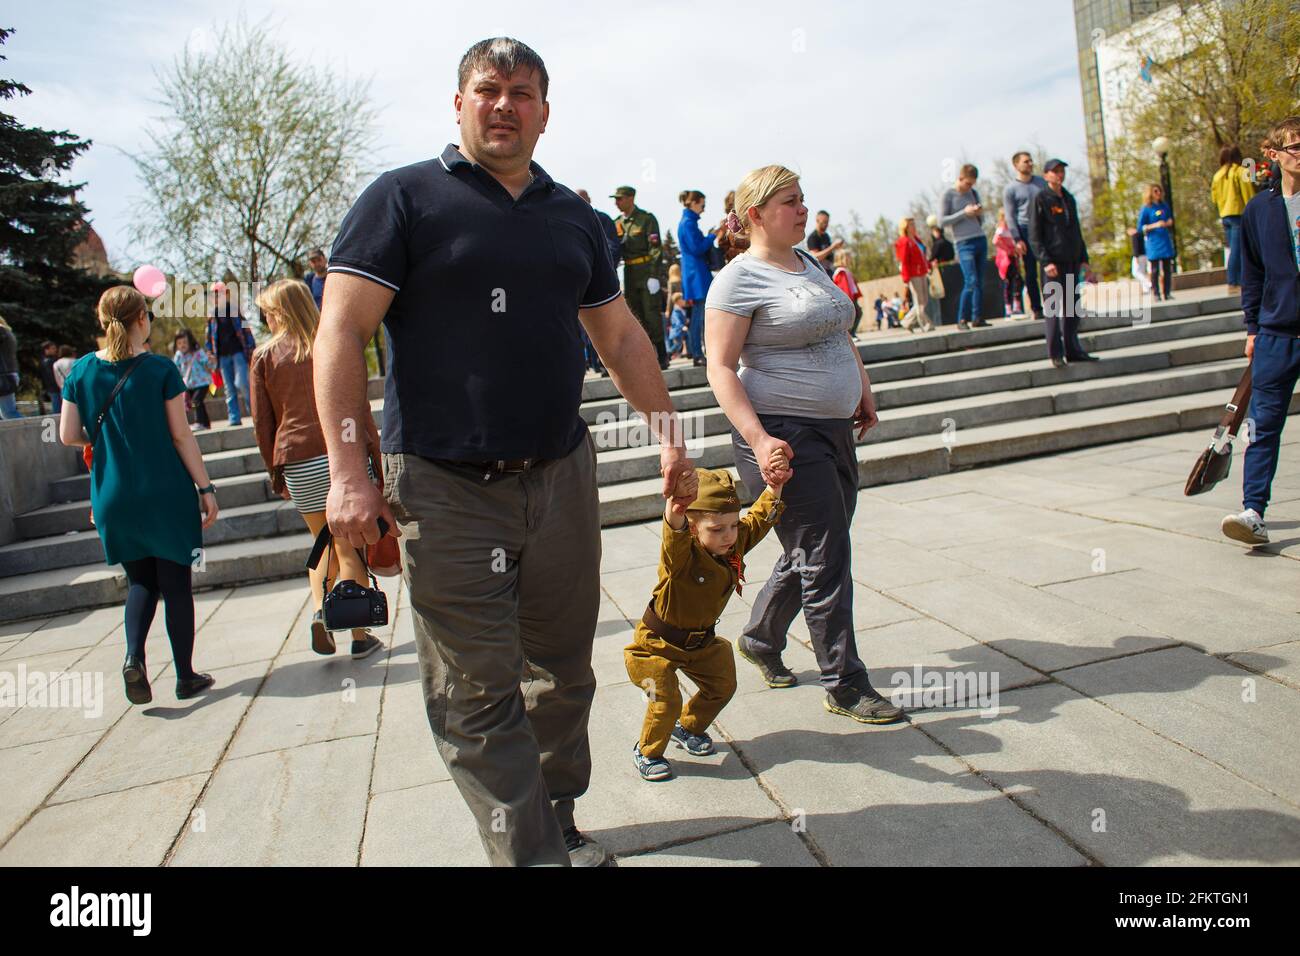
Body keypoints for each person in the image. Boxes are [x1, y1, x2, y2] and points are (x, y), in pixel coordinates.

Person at [314, 37, 695, 867]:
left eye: (523, 92)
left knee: (562, 675)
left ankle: (552, 819)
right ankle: (531, 857)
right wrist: (349, 471)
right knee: (473, 693)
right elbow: (341, 330)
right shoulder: (403, 199)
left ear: (545, 113)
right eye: (488, 89)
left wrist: (671, 439)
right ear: (458, 103)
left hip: (561, 475)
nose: (505, 104)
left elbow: (622, 337)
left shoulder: (576, 219)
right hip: (445, 488)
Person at [705, 163, 903, 725]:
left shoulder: (810, 262)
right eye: (789, 201)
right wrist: (759, 438)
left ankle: (763, 637)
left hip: (835, 427)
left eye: (801, 199)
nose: (801, 209)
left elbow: (840, 329)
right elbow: (720, 368)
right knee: (826, 554)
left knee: (820, 545)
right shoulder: (737, 280)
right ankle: (844, 683)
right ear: (755, 216)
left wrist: (861, 387)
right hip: (781, 434)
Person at [58, 286, 217, 704]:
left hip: (113, 495)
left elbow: (67, 435)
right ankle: (185, 676)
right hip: (165, 490)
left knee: (140, 582)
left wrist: (104, 436)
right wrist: (205, 488)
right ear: (141, 319)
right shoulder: (160, 369)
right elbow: (182, 436)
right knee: (177, 583)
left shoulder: (80, 372)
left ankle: (134, 658)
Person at [250, 278, 384, 659]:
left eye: (268, 313)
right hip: (341, 454)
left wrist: (275, 470)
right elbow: (358, 407)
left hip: (298, 460)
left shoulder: (265, 357)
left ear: (278, 313)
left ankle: (319, 612)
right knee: (350, 546)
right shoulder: (332, 345)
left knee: (322, 542)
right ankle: (359, 634)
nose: (267, 320)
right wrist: (373, 455)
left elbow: (264, 423)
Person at [626, 465, 786, 781]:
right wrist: (676, 508)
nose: (728, 535)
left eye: (731, 526)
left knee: (722, 685)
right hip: (654, 647)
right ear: (693, 528)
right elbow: (672, 537)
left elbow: (757, 521)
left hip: (700, 644)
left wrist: (775, 487)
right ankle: (647, 751)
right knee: (666, 701)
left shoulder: (733, 543)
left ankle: (687, 728)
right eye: (716, 529)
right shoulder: (682, 557)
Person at [1221, 117, 1300, 547]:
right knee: (1263, 426)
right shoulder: (1258, 209)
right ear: (1274, 155)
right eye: (1297, 145)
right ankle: (1253, 513)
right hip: (1276, 333)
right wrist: (1252, 327)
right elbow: (1252, 275)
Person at [1028, 158, 1098, 369]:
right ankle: (1055, 353)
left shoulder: (1068, 198)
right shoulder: (1041, 198)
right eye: (1055, 171)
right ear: (1046, 175)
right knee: (1052, 308)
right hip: (1052, 263)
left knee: (1072, 309)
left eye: (1062, 171)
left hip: (1071, 260)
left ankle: (1073, 350)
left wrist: (1084, 260)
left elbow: (1076, 230)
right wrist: (1045, 260)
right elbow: (1034, 235)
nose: (1060, 175)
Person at [613, 184, 669, 370]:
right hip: (628, 272)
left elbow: (655, 248)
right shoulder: (617, 223)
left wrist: (654, 275)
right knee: (635, 316)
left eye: (620, 198)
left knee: (651, 313)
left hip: (645, 271)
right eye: (615, 199)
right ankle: (645, 357)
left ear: (631, 198)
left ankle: (662, 355)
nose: (617, 202)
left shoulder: (646, 219)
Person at [941, 163, 988, 330]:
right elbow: (943, 221)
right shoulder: (949, 195)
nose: (969, 187)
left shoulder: (973, 193)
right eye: (967, 183)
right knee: (971, 280)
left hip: (979, 238)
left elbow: (981, 220)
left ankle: (977, 317)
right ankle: (962, 319)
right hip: (963, 242)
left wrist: (978, 213)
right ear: (960, 178)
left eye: (972, 184)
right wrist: (964, 213)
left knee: (980, 281)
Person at [1002, 151, 1048, 319]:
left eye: (1030, 161)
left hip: (1043, 230)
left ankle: (1052, 304)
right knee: (1030, 272)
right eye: (1025, 161)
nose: (1029, 164)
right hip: (1025, 230)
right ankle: (1036, 308)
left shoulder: (1041, 183)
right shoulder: (1011, 189)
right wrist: (1017, 239)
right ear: (1016, 165)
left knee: (1048, 268)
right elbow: (1010, 215)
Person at [204, 283, 256, 425]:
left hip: (238, 352)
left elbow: (246, 329)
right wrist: (209, 351)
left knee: (243, 383)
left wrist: (251, 347)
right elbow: (209, 337)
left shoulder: (235, 311)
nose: (216, 298)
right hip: (222, 356)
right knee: (229, 387)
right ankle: (234, 417)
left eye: (219, 294)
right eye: (214, 296)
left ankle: (255, 413)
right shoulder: (212, 316)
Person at [678, 189, 716, 367]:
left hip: (694, 275)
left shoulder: (686, 222)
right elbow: (697, 248)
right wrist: (713, 236)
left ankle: (697, 352)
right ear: (694, 203)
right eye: (702, 204)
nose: (704, 208)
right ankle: (697, 353)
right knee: (699, 318)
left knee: (699, 317)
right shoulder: (688, 223)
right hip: (697, 276)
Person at [1211, 145, 1254, 293]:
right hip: (1238, 214)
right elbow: (1249, 195)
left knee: (1233, 248)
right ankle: (1234, 281)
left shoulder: (1217, 175)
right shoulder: (1241, 172)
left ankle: (1236, 281)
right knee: (1238, 249)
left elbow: (1214, 198)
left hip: (1225, 215)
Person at [894, 216, 935, 332]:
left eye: (914, 224)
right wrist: (905, 277)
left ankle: (907, 321)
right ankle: (926, 324)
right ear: (905, 227)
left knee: (924, 300)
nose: (914, 227)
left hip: (921, 272)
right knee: (919, 301)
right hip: (913, 274)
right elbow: (904, 260)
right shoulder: (904, 241)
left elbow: (923, 255)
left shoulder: (916, 240)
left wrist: (929, 265)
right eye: (911, 225)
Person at [1137, 183, 1176, 301]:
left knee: (1167, 267)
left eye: (1159, 191)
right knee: (1155, 269)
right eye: (1155, 191)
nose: (1158, 193)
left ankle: (1167, 292)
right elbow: (1140, 227)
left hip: (1164, 239)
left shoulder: (1164, 206)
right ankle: (1156, 293)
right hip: (1153, 241)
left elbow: (1170, 218)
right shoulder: (1146, 209)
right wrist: (1154, 225)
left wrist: (1169, 222)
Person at [173, 329, 214, 431]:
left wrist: (211, 360)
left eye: (185, 342)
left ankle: (199, 422)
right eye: (179, 343)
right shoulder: (178, 355)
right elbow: (175, 368)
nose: (182, 345)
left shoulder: (197, 352)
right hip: (189, 384)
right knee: (197, 402)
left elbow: (207, 364)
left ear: (190, 342)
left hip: (202, 382)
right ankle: (206, 423)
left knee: (196, 401)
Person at [994, 209, 1025, 317]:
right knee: (1008, 283)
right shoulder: (1001, 229)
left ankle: (1017, 306)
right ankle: (1008, 309)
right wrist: (1007, 249)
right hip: (1006, 260)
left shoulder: (1012, 229)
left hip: (1014, 258)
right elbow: (995, 241)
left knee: (1018, 281)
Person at [831, 249, 866, 337]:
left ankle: (852, 333)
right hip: (848, 298)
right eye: (848, 258)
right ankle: (850, 334)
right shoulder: (841, 272)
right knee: (854, 314)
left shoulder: (846, 271)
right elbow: (843, 287)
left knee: (858, 313)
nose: (850, 259)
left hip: (852, 297)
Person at [716, 190, 750, 263]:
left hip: (745, 261)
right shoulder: (725, 223)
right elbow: (721, 244)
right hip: (738, 262)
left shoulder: (746, 220)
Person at [805, 209, 841, 276]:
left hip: (830, 270)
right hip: (821, 274)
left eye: (827, 222)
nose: (826, 224)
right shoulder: (813, 237)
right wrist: (832, 247)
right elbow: (815, 257)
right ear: (817, 220)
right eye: (824, 222)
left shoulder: (826, 236)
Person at [0, 315, 22, 420]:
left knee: (8, 413)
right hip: (7, 374)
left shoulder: (1, 331)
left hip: (4, 376)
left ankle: (28, 432)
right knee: (6, 413)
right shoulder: (5, 331)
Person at [665, 292, 690, 359]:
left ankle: (687, 353)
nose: (684, 300)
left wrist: (686, 320)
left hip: (680, 332)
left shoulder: (680, 310)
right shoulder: (676, 311)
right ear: (677, 301)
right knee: (677, 344)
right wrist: (682, 326)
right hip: (676, 331)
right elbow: (677, 322)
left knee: (680, 344)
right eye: (682, 299)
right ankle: (669, 353)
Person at [40, 341, 62, 413]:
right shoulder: (49, 362)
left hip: (53, 388)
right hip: (54, 388)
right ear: (46, 350)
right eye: (52, 348)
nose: (55, 350)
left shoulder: (46, 361)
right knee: (57, 409)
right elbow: (51, 376)